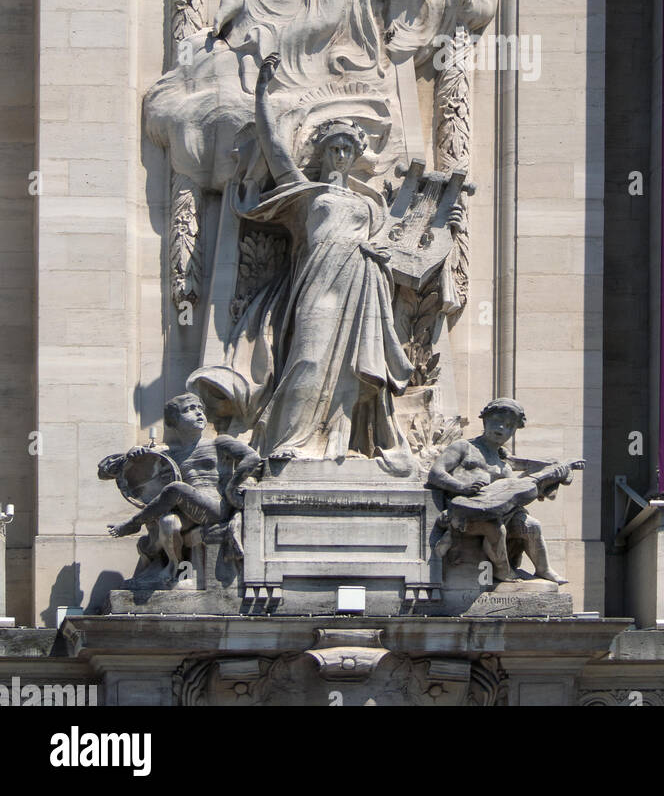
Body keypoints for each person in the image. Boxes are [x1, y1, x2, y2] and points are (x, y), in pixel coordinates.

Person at [236, 53, 414, 462]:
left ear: (355, 156)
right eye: (334, 146)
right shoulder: (308, 194)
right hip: (318, 282)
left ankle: (337, 445)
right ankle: (291, 442)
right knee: (309, 355)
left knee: (352, 370)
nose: (339, 154)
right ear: (322, 152)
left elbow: (401, 245)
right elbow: (274, 148)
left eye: (347, 148)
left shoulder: (370, 204)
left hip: (361, 282)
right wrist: (263, 92)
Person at [101, 392, 262, 584]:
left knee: (176, 487)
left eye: (199, 409)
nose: (198, 413)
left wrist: (232, 486)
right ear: (173, 422)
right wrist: (132, 455)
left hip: (216, 507)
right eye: (189, 410)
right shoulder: (170, 454)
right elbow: (105, 471)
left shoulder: (218, 442)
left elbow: (252, 457)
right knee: (168, 522)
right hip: (188, 512)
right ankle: (173, 567)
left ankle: (132, 524)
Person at [426, 398, 584, 584]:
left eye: (509, 425)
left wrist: (546, 481)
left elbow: (509, 494)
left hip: (500, 513)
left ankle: (544, 569)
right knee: (496, 528)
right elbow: (436, 473)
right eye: (496, 421)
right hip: (464, 512)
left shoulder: (505, 464)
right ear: (485, 421)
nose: (501, 428)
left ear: (514, 431)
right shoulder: (464, 447)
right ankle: (503, 571)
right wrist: (462, 487)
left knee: (532, 526)